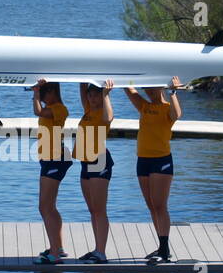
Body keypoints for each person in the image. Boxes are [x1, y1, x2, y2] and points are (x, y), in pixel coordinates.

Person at [126, 76, 182, 261]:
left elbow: (177, 114)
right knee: (151, 206)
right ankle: (161, 246)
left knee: (160, 205)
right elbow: (129, 89)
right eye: (146, 89)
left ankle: (165, 250)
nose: (148, 92)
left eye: (152, 89)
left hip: (161, 161)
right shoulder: (145, 106)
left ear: (161, 88)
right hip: (143, 161)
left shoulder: (167, 108)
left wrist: (173, 92)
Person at [32, 79, 72, 264]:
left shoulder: (59, 108)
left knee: (45, 206)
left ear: (53, 92)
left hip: (56, 158)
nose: (42, 96)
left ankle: (54, 254)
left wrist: (35, 92)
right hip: (49, 159)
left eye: (45, 92)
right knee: (49, 206)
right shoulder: (52, 107)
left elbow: (38, 111)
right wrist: (39, 89)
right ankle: (58, 247)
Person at [74, 80, 114, 263]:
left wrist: (106, 94)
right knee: (92, 210)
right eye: (90, 95)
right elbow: (82, 88)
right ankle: (96, 249)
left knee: (99, 210)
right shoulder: (88, 110)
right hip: (85, 162)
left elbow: (109, 119)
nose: (91, 98)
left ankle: (101, 252)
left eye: (95, 95)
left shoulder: (102, 113)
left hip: (99, 161)